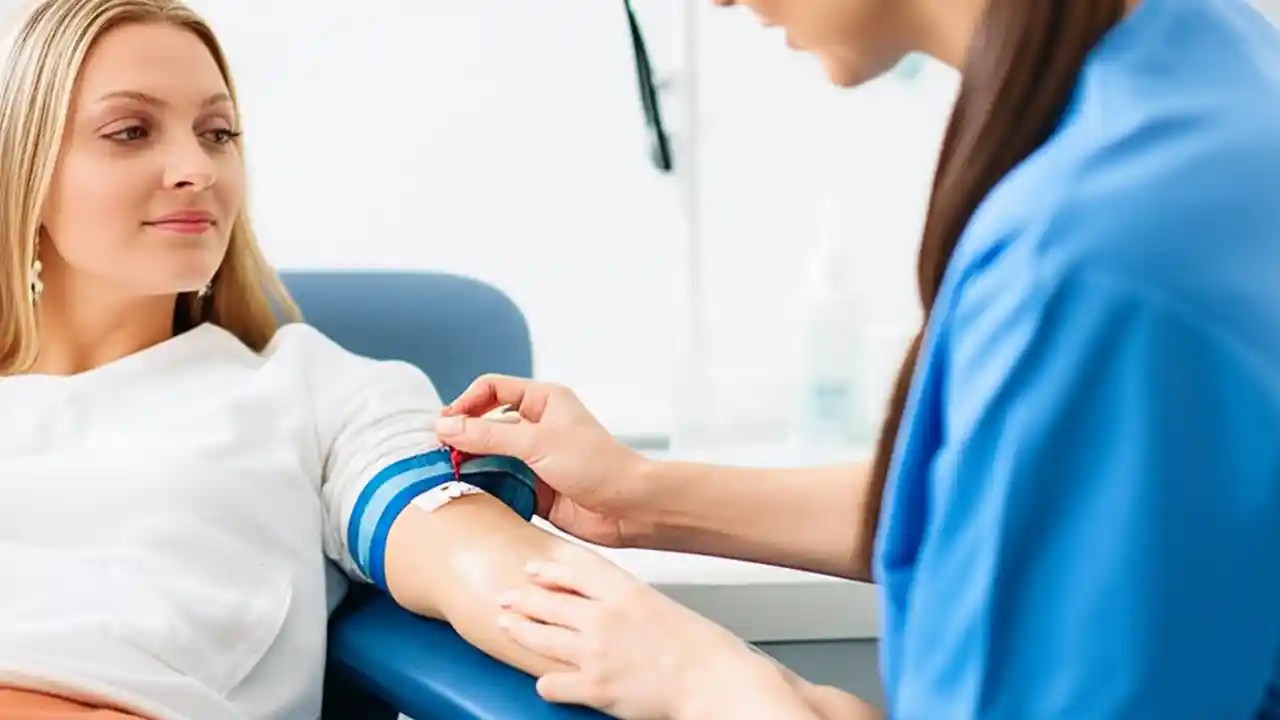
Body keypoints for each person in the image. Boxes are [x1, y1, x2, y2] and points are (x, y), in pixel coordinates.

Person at [436, 0, 1280, 718]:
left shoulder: (1089, 265)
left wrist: (713, 683)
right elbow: (1025, 501)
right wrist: (639, 497)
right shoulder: (1200, 65)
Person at [0, 1, 597, 718]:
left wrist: (707, 676)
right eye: (130, 131)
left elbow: (484, 566)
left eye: (218, 133)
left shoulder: (318, 392)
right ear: (22, 166)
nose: (197, 168)